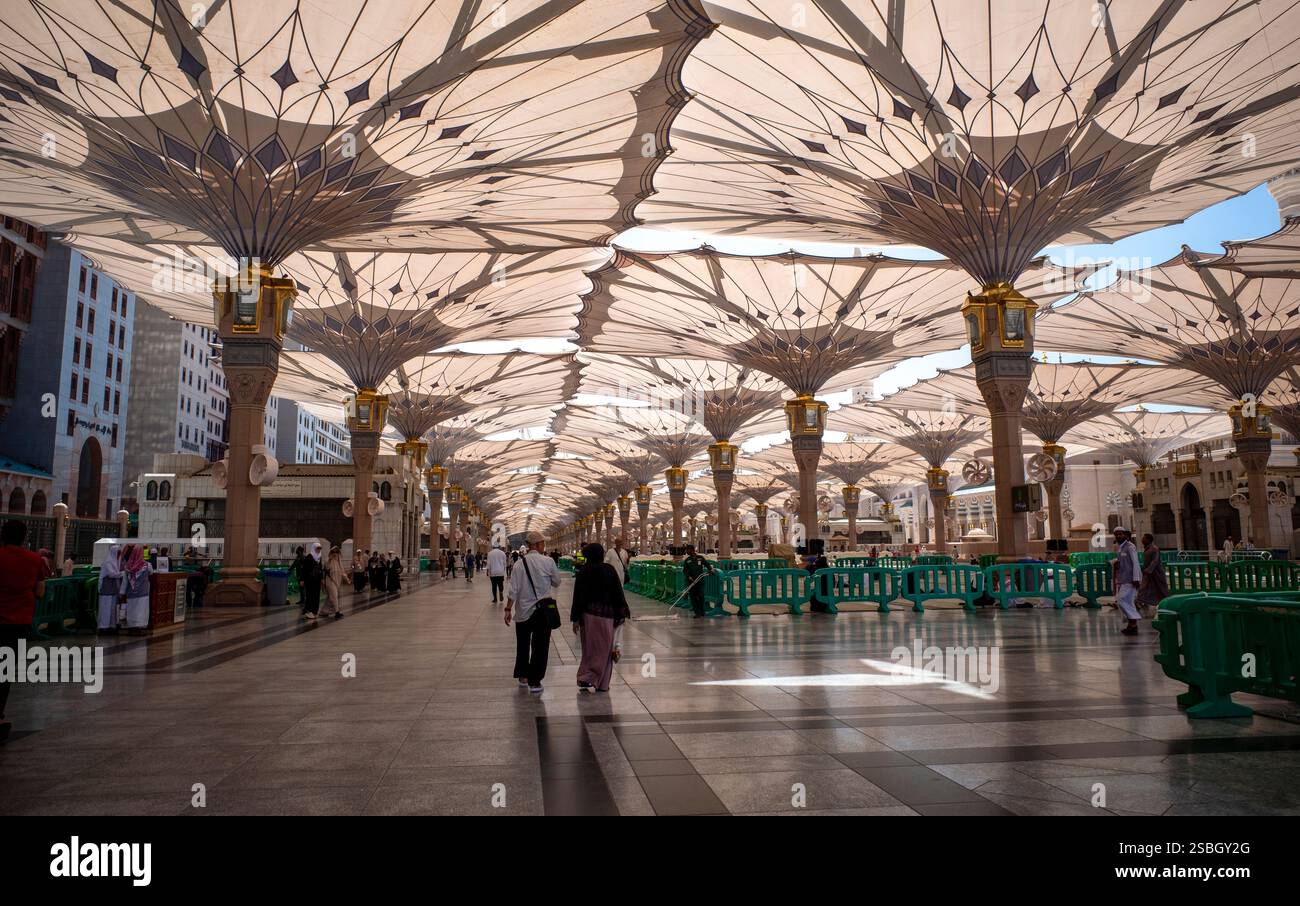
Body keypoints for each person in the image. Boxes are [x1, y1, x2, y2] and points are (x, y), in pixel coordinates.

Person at [0, 520, 46, 741]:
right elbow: (40, 591)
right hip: (18, 623)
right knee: (4, 672)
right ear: (24, 537)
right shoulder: (34, 560)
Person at [570, 542, 630, 693]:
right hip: (606, 616)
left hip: (588, 617)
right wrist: (621, 612)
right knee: (605, 648)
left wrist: (576, 618)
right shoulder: (609, 570)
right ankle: (602, 683)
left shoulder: (584, 571)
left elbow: (577, 596)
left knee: (589, 648)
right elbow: (617, 592)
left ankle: (586, 677)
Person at [505, 531, 561, 694]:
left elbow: (513, 590)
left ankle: (523, 676)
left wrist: (508, 609)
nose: (544, 546)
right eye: (543, 543)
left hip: (522, 611)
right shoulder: (548, 561)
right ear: (536, 545)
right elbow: (557, 582)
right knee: (540, 646)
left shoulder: (518, 564)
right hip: (542, 612)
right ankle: (535, 682)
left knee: (523, 644)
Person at [1111, 526, 1142, 635]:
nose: (1119, 536)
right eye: (1117, 534)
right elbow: (1122, 562)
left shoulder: (1130, 547)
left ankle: (1134, 621)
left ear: (1125, 535)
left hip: (1130, 579)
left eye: (1120, 534)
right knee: (1127, 601)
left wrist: (1136, 578)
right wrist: (1115, 563)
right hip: (1122, 578)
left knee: (1121, 600)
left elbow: (1135, 563)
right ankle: (1132, 625)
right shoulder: (1120, 548)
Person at [121, 544, 153, 631]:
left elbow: (125, 582)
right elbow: (151, 573)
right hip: (142, 592)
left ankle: (131, 627)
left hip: (131, 593)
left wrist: (122, 593)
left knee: (132, 610)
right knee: (141, 610)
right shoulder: (147, 565)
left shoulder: (127, 566)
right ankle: (139, 627)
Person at [1136, 533, 1169, 613]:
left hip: (1155, 573)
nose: (1142, 540)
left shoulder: (1154, 549)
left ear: (1148, 540)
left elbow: (1155, 561)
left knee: (1161, 589)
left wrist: (1148, 570)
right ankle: (1139, 602)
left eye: (1144, 538)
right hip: (1148, 574)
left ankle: (1167, 602)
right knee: (1143, 588)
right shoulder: (1147, 549)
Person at [681, 545, 715, 617]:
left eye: (687, 550)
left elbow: (707, 564)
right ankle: (697, 613)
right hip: (691, 582)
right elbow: (685, 570)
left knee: (701, 596)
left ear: (691, 550)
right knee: (693, 597)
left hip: (700, 580)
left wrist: (711, 570)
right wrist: (689, 577)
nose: (686, 551)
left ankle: (702, 611)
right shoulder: (687, 560)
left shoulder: (700, 558)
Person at [97, 544, 123, 632]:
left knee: (112, 609)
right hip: (107, 588)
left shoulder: (115, 562)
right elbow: (111, 574)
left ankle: (112, 625)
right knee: (105, 608)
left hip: (113, 589)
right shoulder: (108, 562)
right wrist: (123, 573)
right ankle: (103, 627)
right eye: (118, 553)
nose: (119, 555)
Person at [300, 542, 323, 619]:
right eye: (317, 548)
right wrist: (302, 580)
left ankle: (314, 611)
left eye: (320, 548)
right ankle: (308, 611)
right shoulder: (309, 557)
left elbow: (320, 569)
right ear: (314, 548)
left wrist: (322, 579)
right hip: (310, 580)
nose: (319, 550)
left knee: (316, 596)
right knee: (310, 596)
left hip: (317, 580)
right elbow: (304, 569)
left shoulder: (319, 557)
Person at [321, 546, 345, 619]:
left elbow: (342, 571)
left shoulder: (339, 561)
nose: (335, 554)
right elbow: (326, 568)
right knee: (334, 597)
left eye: (337, 552)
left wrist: (347, 578)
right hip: (330, 581)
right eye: (333, 552)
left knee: (330, 597)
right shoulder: (328, 560)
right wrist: (330, 559)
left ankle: (324, 611)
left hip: (337, 581)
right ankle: (337, 612)